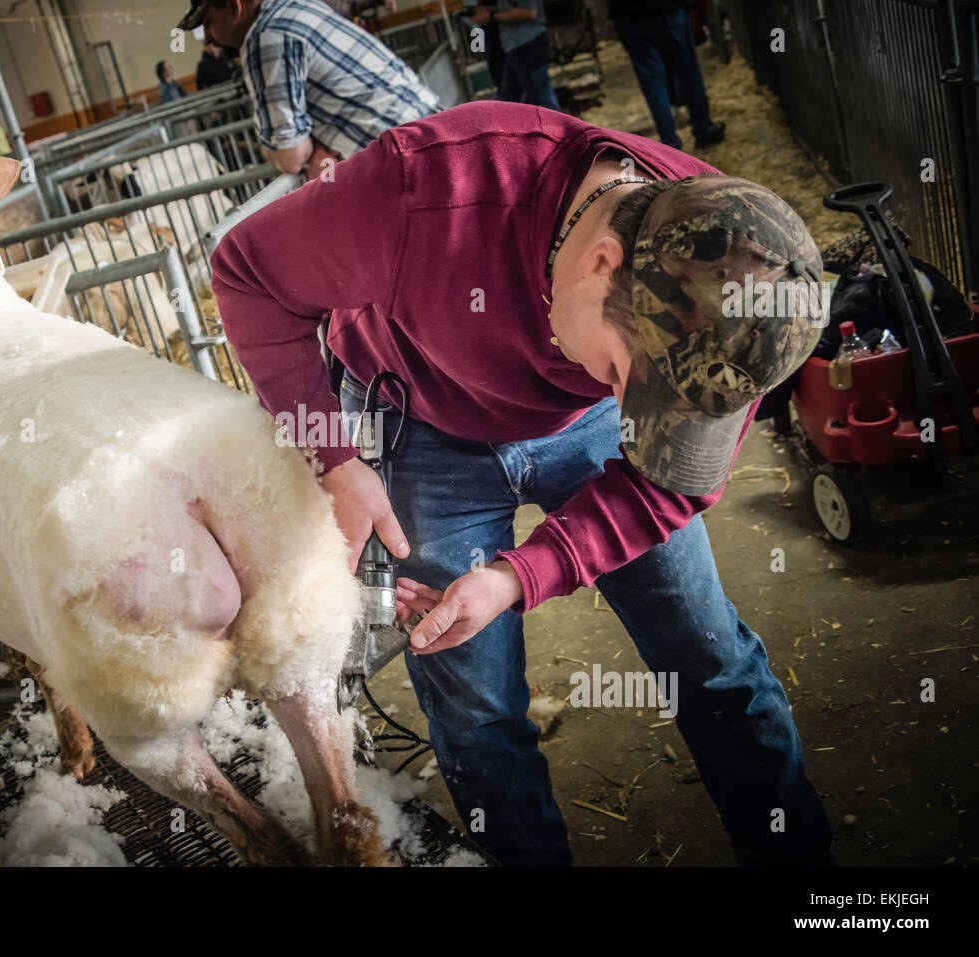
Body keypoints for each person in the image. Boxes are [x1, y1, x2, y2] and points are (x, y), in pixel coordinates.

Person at [211, 101, 834, 867]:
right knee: (476, 703)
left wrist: (519, 576)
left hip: (583, 416)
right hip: (426, 413)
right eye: (622, 376)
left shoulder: (739, 279)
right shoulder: (427, 187)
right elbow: (247, 272)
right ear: (603, 260)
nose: (627, 398)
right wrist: (336, 459)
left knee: (709, 654)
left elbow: (673, 483)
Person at [179, 0, 440, 178]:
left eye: (208, 24)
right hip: (436, 134)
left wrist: (279, 149)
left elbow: (290, 157)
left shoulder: (265, 36)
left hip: (412, 161)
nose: (209, 37)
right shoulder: (300, 6)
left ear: (234, 6)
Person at [609, 0, 726, 150]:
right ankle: (703, 129)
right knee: (688, 71)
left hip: (630, 16)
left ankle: (670, 143)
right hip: (669, 9)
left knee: (653, 84)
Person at [472, 0, 562, 112]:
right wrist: (487, 11)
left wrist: (491, 16)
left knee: (542, 101)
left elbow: (529, 12)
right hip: (517, 46)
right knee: (508, 98)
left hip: (526, 44)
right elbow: (511, 6)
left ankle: (557, 128)